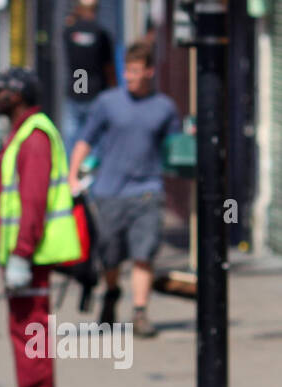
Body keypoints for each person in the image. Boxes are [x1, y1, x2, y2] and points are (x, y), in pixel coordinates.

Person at [0, 67, 81, 387]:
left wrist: (22, 253)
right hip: (21, 256)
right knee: (24, 329)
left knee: (30, 331)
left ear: (18, 95)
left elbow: (33, 200)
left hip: (31, 257)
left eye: (1, 92)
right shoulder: (21, 133)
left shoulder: (35, 136)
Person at [68, 40, 181, 338]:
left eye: (134, 71)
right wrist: (72, 175)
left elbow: (174, 146)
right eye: (126, 71)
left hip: (148, 190)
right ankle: (112, 292)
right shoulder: (107, 103)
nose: (129, 76)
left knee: (144, 254)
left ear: (149, 72)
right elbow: (84, 139)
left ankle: (140, 312)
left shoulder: (165, 108)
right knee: (111, 257)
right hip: (109, 191)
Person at [61, 0, 115, 156]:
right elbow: (108, 66)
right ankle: (91, 170)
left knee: (72, 136)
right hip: (95, 90)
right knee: (94, 134)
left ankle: (71, 170)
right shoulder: (101, 34)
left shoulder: (70, 32)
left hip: (77, 88)